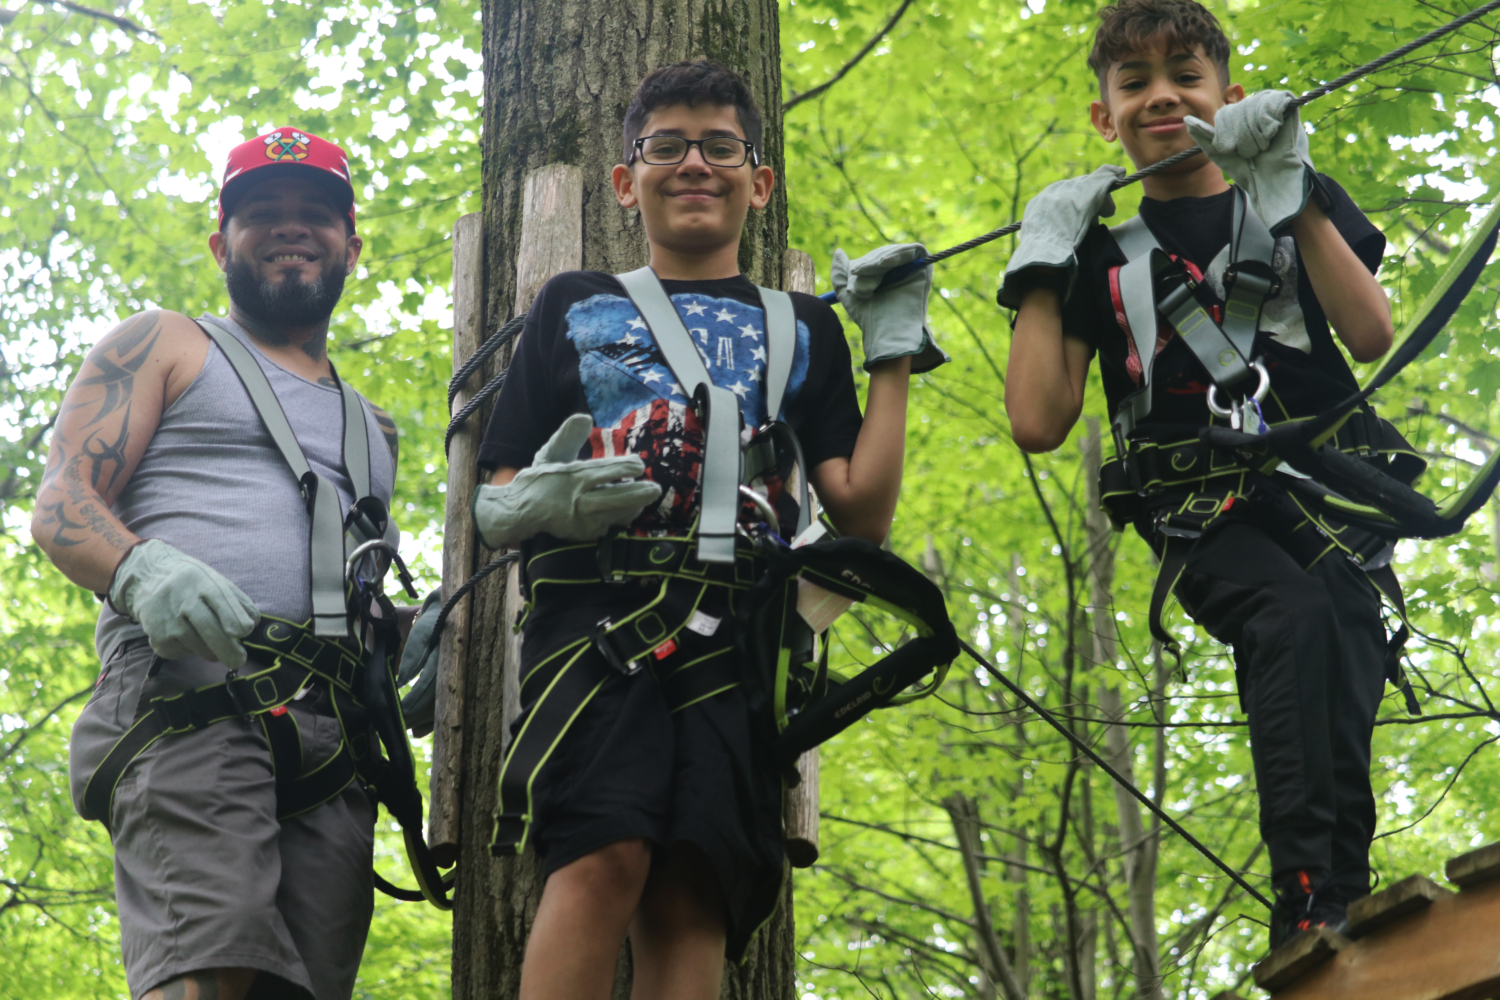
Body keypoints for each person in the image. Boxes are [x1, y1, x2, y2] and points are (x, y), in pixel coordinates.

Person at [470, 60, 944, 1000]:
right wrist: (536, 501)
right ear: (625, 180)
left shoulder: (805, 327)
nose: (696, 165)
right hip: (603, 619)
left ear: (758, 182)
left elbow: (862, 509)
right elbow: (500, 484)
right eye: (667, 147)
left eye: (721, 147)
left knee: (695, 889)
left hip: (743, 634)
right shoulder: (575, 302)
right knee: (602, 852)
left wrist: (890, 355)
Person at [1001, 0, 1398, 949]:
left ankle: (1342, 885)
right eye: (1133, 83)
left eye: (1186, 74)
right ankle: (1305, 889)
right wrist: (1039, 269)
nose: (1163, 96)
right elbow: (1037, 420)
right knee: (1288, 616)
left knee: (1344, 620)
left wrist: (1289, 191)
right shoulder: (1096, 254)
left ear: (1232, 93)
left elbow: (1371, 331)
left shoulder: (1291, 192)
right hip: (1199, 501)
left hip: (1324, 480)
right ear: (1105, 117)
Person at [34, 128, 401, 1000]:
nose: (290, 229)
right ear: (219, 243)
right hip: (190, 694)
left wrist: (408, 644)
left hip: (333, 741)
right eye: (261, 214)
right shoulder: (163, 344)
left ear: (351, 243)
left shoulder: (374, 429)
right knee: (209, 969)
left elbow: (356, 583)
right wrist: (140, 571)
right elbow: (61, 505)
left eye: (315, 214)